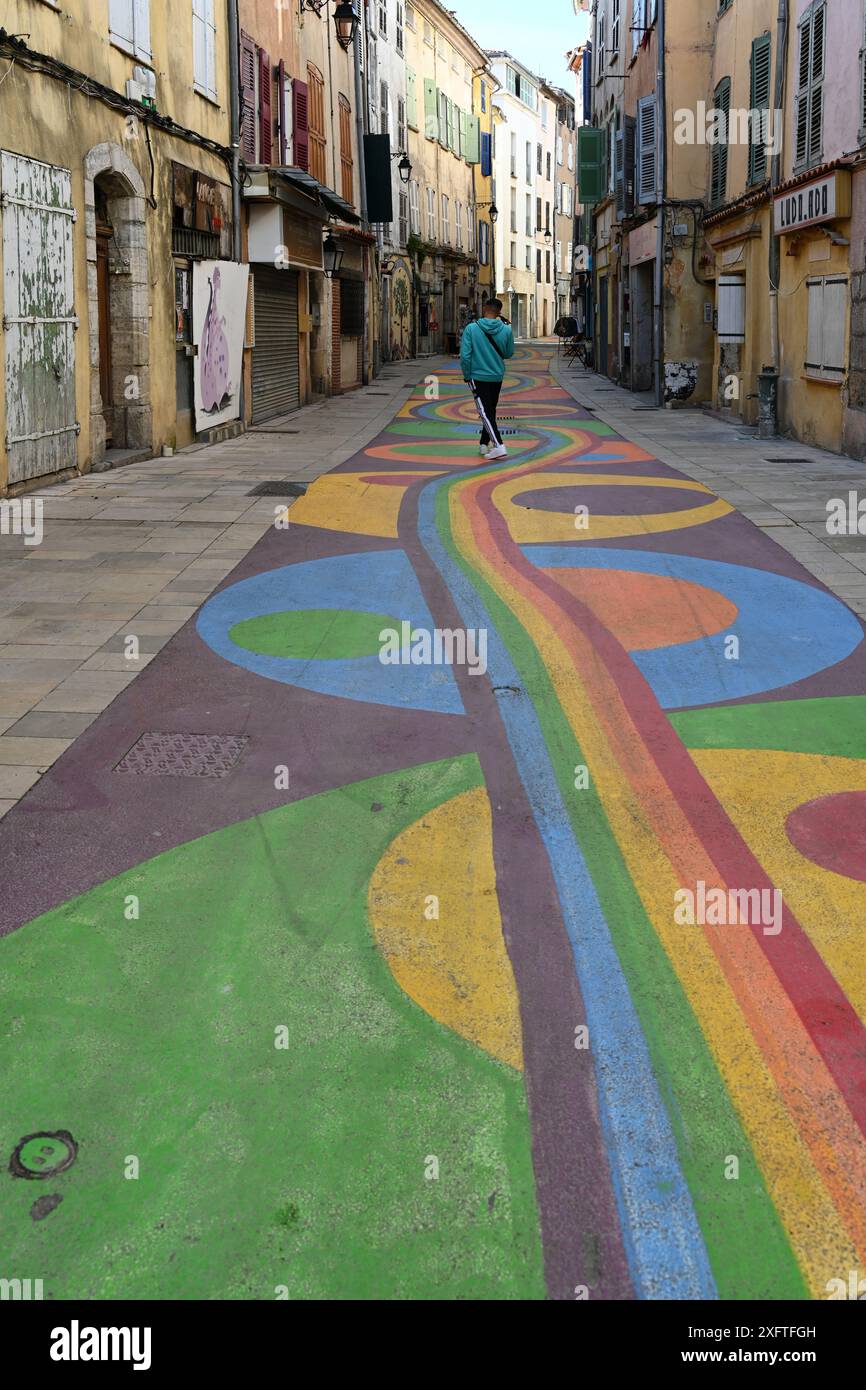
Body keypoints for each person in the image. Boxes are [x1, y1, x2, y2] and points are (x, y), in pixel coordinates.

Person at [459, 297, 515, 460]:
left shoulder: (471, 329)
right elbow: (508, 353)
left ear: (484, 309)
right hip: (497, 376)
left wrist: (467, 375)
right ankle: (484, 443)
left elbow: (465, 356)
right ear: (499, 312)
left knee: (484, 411)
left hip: (477, 375)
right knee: (489, 410)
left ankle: (499, 445)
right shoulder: (506, 330)